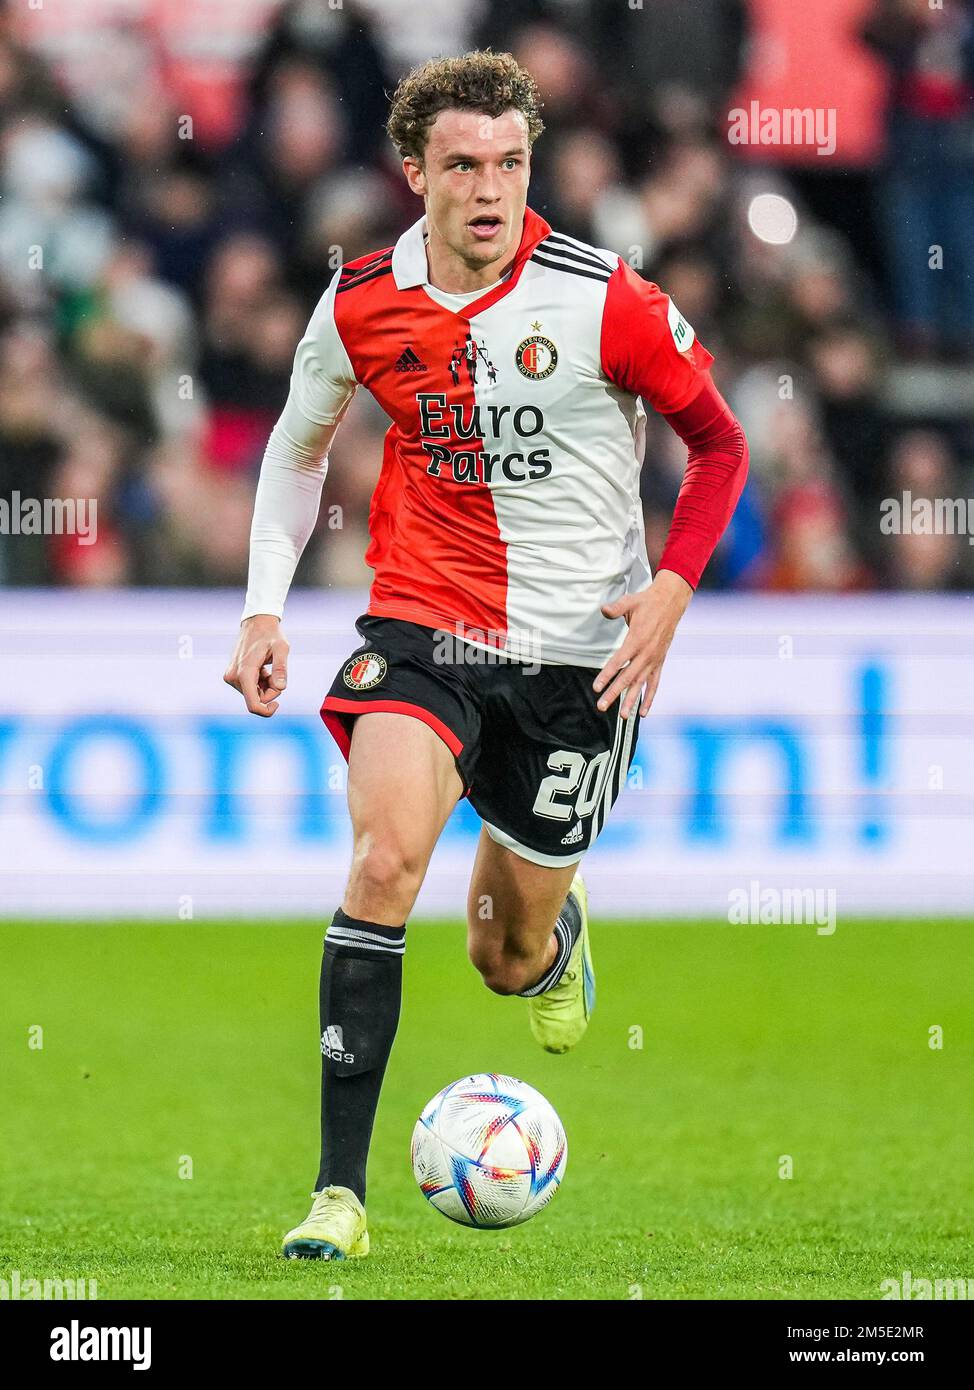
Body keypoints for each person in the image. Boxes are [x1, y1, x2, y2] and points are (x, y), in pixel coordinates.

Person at [223, 50, 748, 1260]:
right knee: (383, 863)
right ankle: (338, 1199)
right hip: (423, 627)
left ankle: (552, 946)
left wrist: (672, 588)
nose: (488, 188)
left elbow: (717, 446)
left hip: (578, 658)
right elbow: (298, 454)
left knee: (500, 953)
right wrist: (263, 608)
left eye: (509, 163)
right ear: (414, 173)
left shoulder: (603, 295)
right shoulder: (360, 298)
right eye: (461, 165)